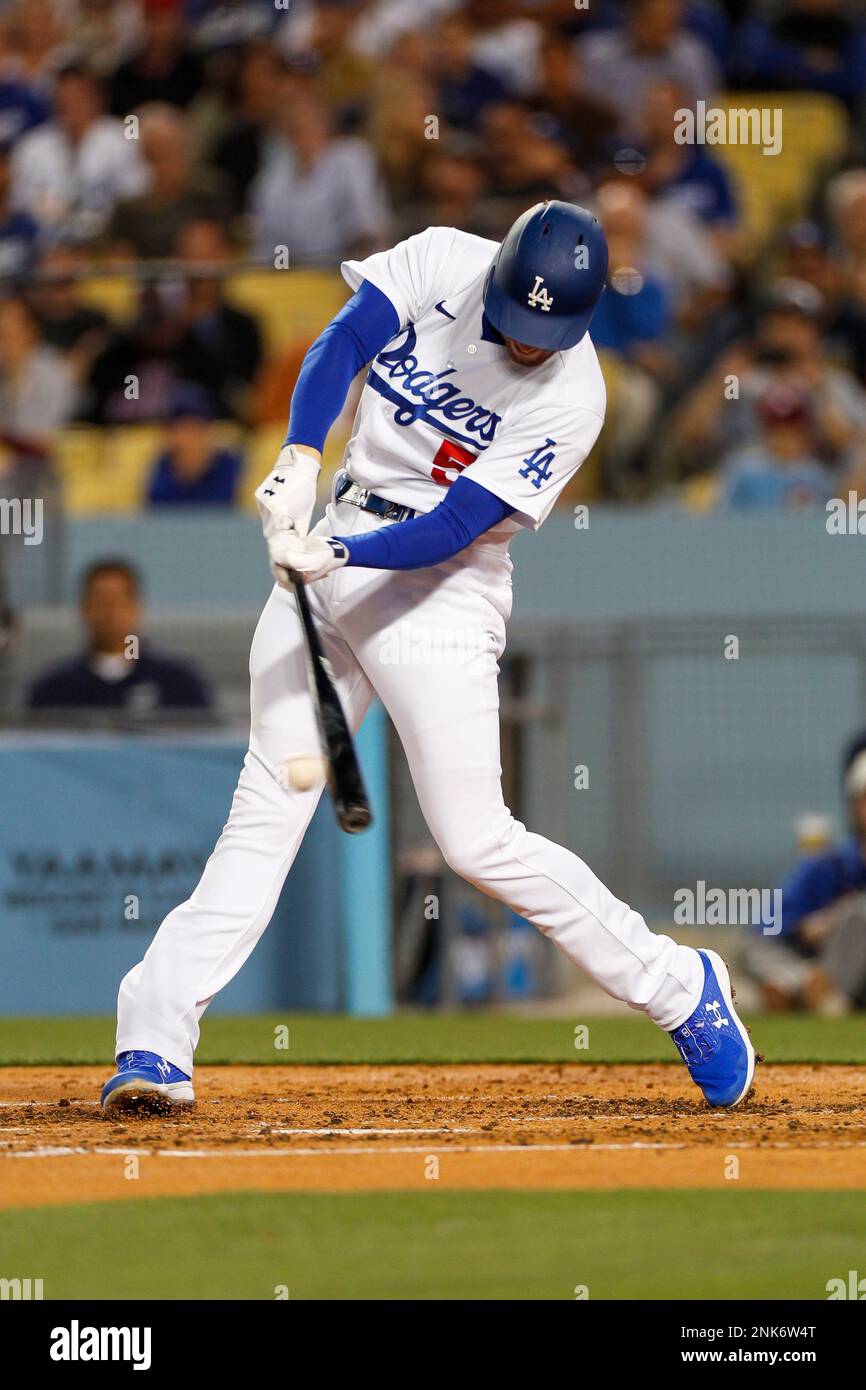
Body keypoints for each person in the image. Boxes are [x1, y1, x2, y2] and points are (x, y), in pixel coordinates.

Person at [101, 201, 756, 1116]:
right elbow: (342, 342)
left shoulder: (575, 396)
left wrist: (338, 556)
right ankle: (156, 1035)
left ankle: (682, 985)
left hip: (439, 589)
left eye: (549, 333)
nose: (530, 346)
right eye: (522, 325)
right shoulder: (447, 259)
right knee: (272, 796)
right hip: (341, 529)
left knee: (474, 838)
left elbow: (456, 524)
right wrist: (297, 459)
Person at [28, 558, 211, 713]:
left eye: (119, 600)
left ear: (136, 608)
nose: (111, 612)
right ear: (84, 609)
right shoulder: (54, 688)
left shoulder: (178, 683)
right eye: (101, 601)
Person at [147, 384, 244, 506]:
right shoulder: (161, 467)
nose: (188, 438)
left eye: (195, 428)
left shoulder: (231, 466)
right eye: (180, 428)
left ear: (208, 429)